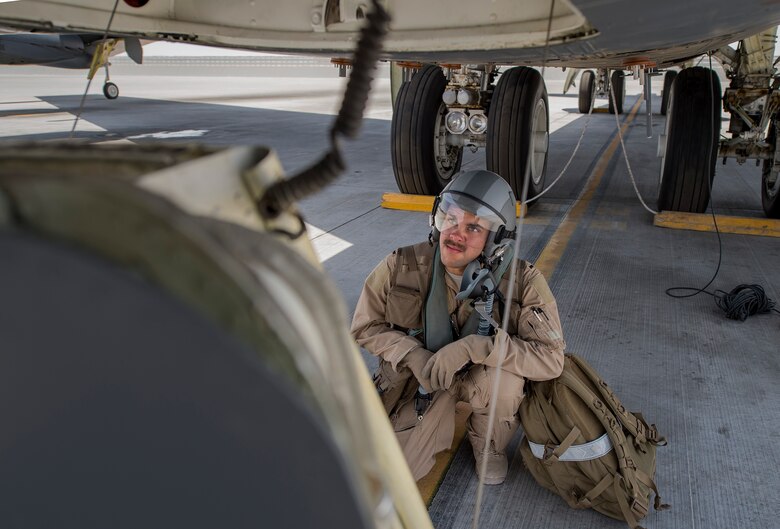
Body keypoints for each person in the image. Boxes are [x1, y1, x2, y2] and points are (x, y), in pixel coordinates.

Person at [351, 170, 565, 485]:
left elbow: (551, 359)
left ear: (496, 238)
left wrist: (480, 347)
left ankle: (489, 444)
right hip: (425, 378)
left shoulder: (524, 282)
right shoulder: (402, 265)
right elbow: (364, 326)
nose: (455, 233)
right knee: (391, 478)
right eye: (450, 218)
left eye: (473, 227)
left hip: (481, 376)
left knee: (505, 380)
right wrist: (411, 354)